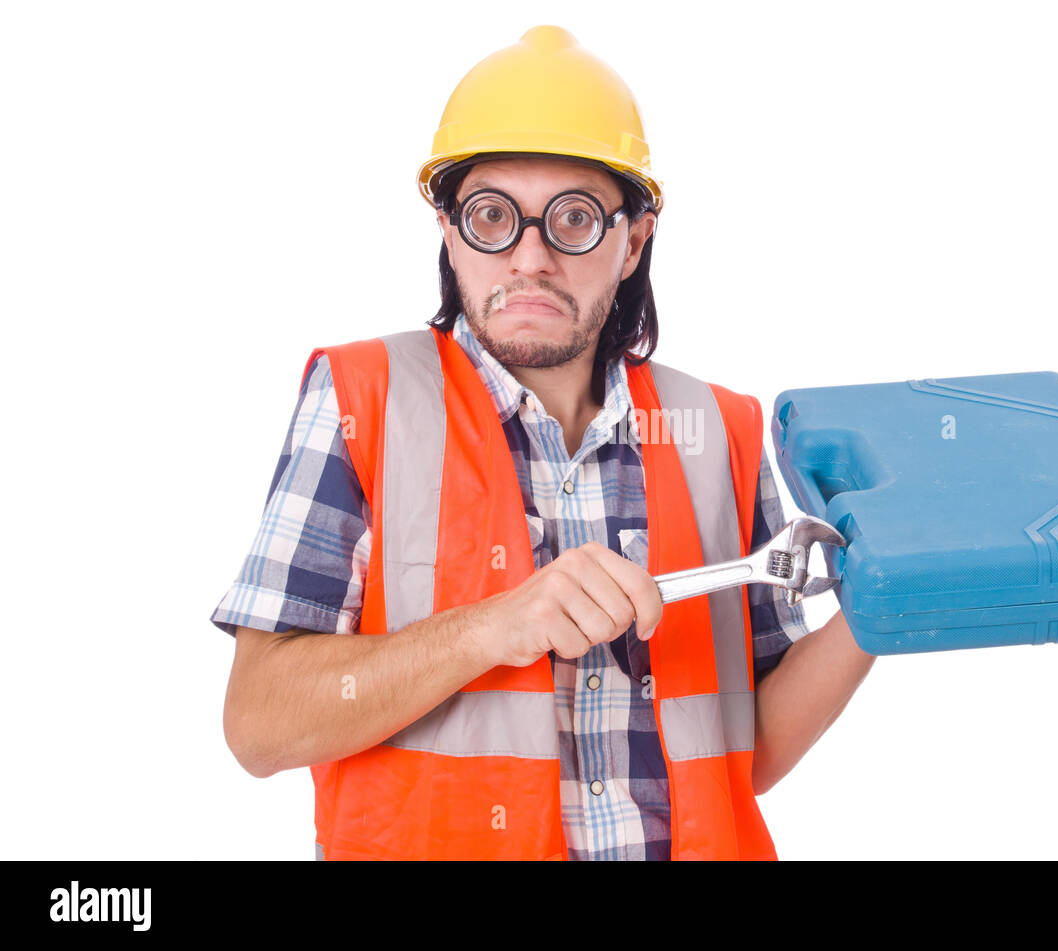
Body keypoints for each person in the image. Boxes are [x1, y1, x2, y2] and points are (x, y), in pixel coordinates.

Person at [212, 24, 875, 861]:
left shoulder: (719, 430)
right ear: (451, 235)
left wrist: (875, 608)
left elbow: (755, 748)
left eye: (573, 219)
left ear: (633, 241)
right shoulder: (361, 399)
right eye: (492, 216)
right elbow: (258, 724)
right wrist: (491, 627)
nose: (529, 258)